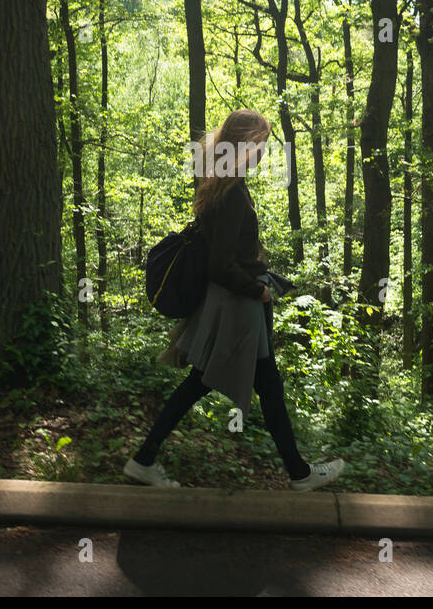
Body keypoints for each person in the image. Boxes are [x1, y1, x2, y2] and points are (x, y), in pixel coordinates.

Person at [124, 108, 346, 491]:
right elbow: (220, 265)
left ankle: (145, 459)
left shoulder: (220, 183)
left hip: (233, 304)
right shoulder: (232, 194)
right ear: (243, 144)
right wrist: (258, 290)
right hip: (238, 306)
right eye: (260, 143)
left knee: (239, 384)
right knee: (228, 383)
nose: (263, 151)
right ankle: (299, 474)